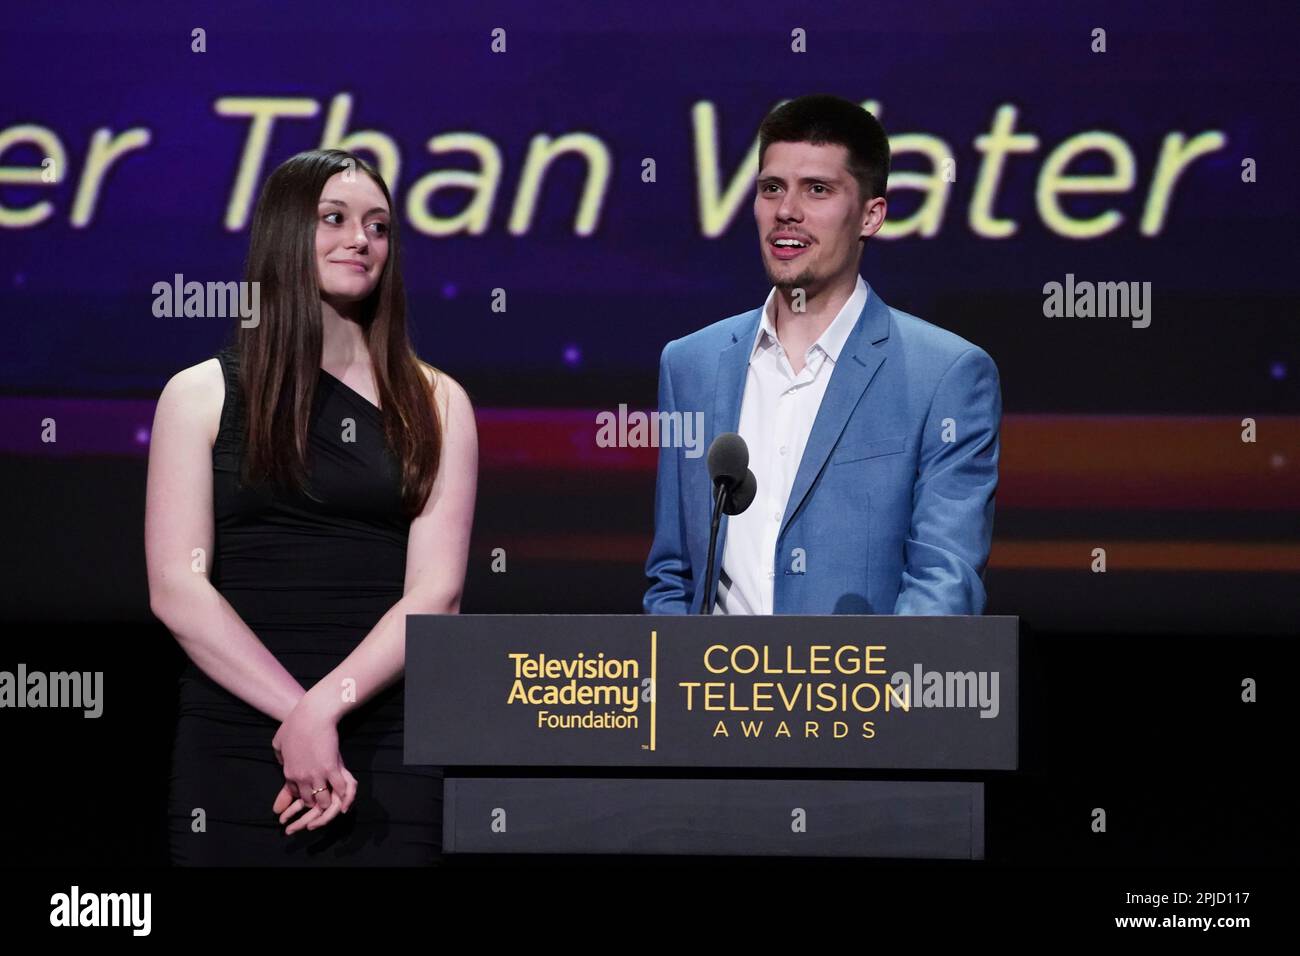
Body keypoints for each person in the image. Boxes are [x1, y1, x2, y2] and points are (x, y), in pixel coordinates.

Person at [145, 149, 477, 865]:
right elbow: (178, 590)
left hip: (384, 744)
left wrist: (323, 709)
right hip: (235, 740)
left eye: (379, 226)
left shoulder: (438, 403)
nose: (361, 239)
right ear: (286, 232)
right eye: (335, 218)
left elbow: (437, 594)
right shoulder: (199, 395)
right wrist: (294, 715)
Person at [644, 94, 1000, 616]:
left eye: (818, 189)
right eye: (772, 188)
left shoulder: (946, 375)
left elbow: (943, 584)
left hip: (864, 691)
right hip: (714, 690)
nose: (787, 211)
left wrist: (864, 692)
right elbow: (672, 577)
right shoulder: (690, 364)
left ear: (871, 216)